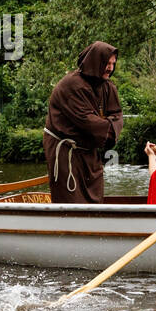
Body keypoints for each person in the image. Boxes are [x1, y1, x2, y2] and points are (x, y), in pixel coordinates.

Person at [43, 40, 123, 203]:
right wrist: (109, 127)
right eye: (107, 63)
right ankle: (69, 227)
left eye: (113, 64)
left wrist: (109, 127)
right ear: (95, 62)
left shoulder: (107, 87)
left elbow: (117, 115)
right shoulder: (72, 85)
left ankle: (93, 227)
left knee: (95, 195)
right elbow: (87, 121)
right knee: (70, 198)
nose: (110, 68)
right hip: (66, 150)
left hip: (89, 150)